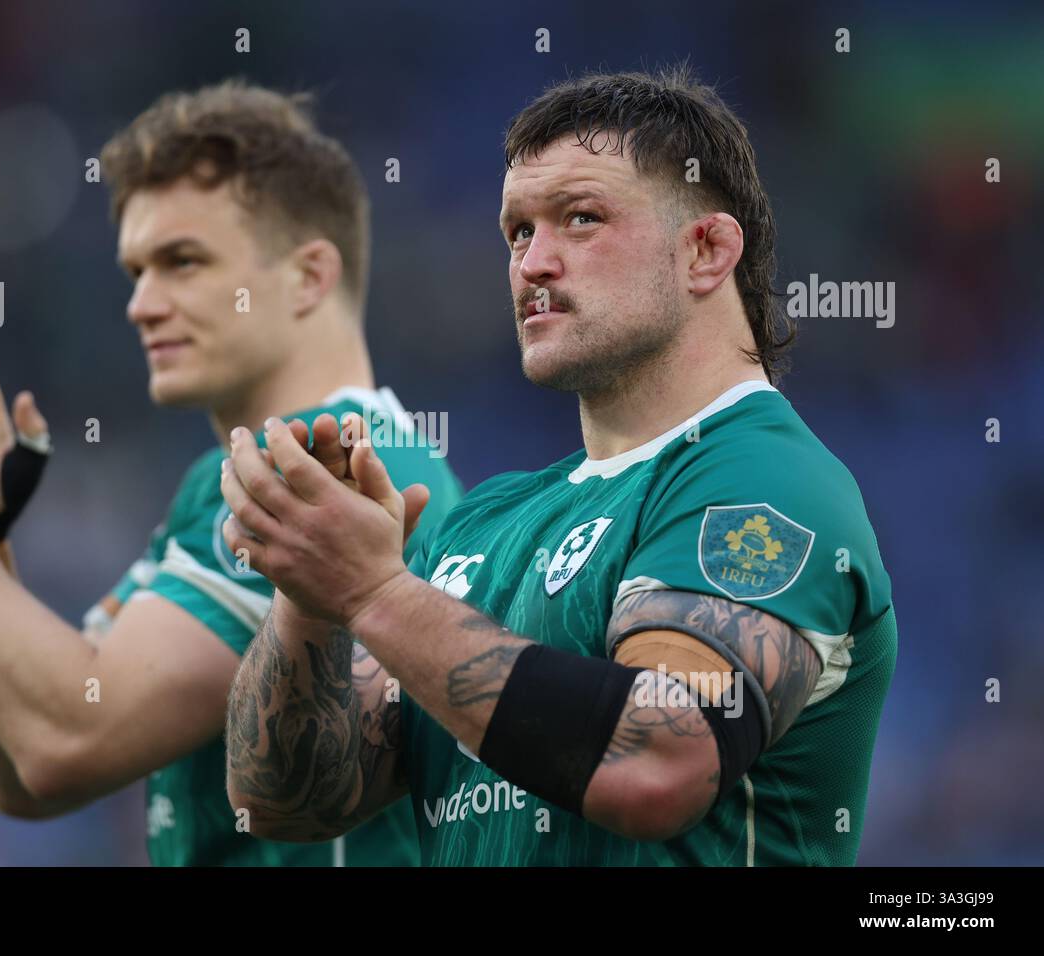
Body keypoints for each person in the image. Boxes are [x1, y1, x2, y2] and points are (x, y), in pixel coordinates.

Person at [221, 67, 897, 866]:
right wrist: (311, 598)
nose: (532, 264)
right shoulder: (486, 520)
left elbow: (655, 762)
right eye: (517, 232)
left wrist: (373, 591)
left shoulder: (765, 478)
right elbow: (286, 800)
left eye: (580, 219)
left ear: (707, 250)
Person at [0, 80, 462, 866]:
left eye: (182, 261)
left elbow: (65, 739)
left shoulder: (304, 473)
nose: (141, 303)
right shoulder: (388, 458)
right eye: (136, 270)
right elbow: (25, 780)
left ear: (309, 276)